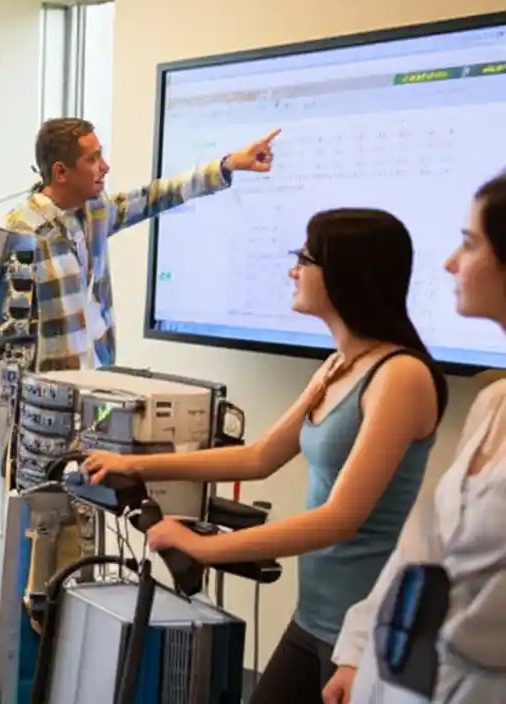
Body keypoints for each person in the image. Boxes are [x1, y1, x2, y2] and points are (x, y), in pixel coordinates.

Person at [85, 208, 450, 703]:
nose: (292, 269)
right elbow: (259, 457)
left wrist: (202, 546)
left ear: (346, 272)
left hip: (363, 632)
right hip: (314, 617)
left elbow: (340, 518)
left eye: (304, 258)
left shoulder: (400, 376)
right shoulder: (339, 364)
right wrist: (137, 464)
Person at [323, 173, 506, 704]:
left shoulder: (400, 373)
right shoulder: (493, 403)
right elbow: (424, 546)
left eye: (470, 244)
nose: (451, 262)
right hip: (410, 680)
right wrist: (359, 648)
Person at [3, 117, 280, 372]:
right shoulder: (22, 230)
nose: (105, 167)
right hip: (48, 397)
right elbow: (5, 334)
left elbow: (155, 196)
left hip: (97, 382)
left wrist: (227, 165)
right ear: (61, 172)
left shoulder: (94, 211)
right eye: (93, 159)